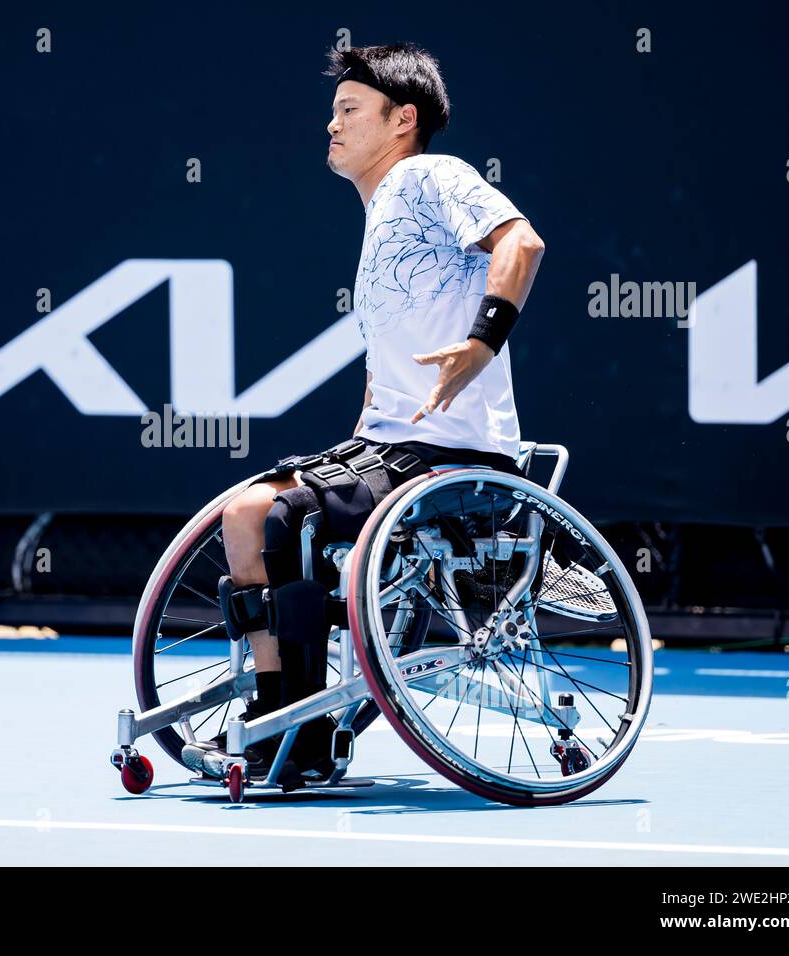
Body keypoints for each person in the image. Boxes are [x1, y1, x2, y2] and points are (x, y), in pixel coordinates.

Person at [183, 41, 546, 790]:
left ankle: (297, 728)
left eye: (349, 110)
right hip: (395, 450)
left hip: (452, 458)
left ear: (402, 119)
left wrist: (481, 344)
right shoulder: (384, 216)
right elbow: (387, 384)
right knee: (250, 514)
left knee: (266, 513)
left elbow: (522, 240)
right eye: (332, 111)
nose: (332, 124)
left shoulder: (426, 175)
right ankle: (287, 714)